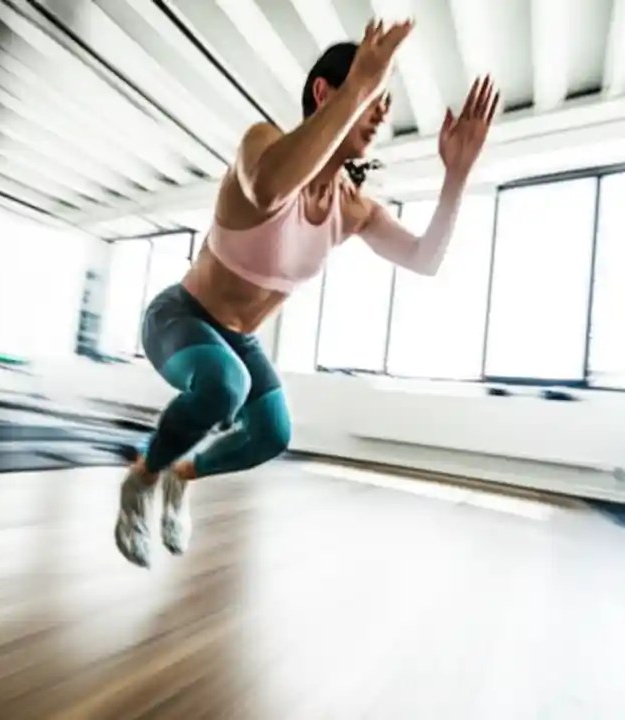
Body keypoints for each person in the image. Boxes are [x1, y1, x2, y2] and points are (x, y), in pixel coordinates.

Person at [115, 19, 499, 567]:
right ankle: (143, 476)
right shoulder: (260, 144)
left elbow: (424, 259)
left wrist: (457, 174)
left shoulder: (350, 207)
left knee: (272, 433)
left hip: (239, 342)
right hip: (180, 318)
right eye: (372, 97)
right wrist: (361, 83)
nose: (382, 111)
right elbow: (272, 188)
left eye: (381, 99)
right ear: (326, 92)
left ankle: (181, 475)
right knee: (226, 383)